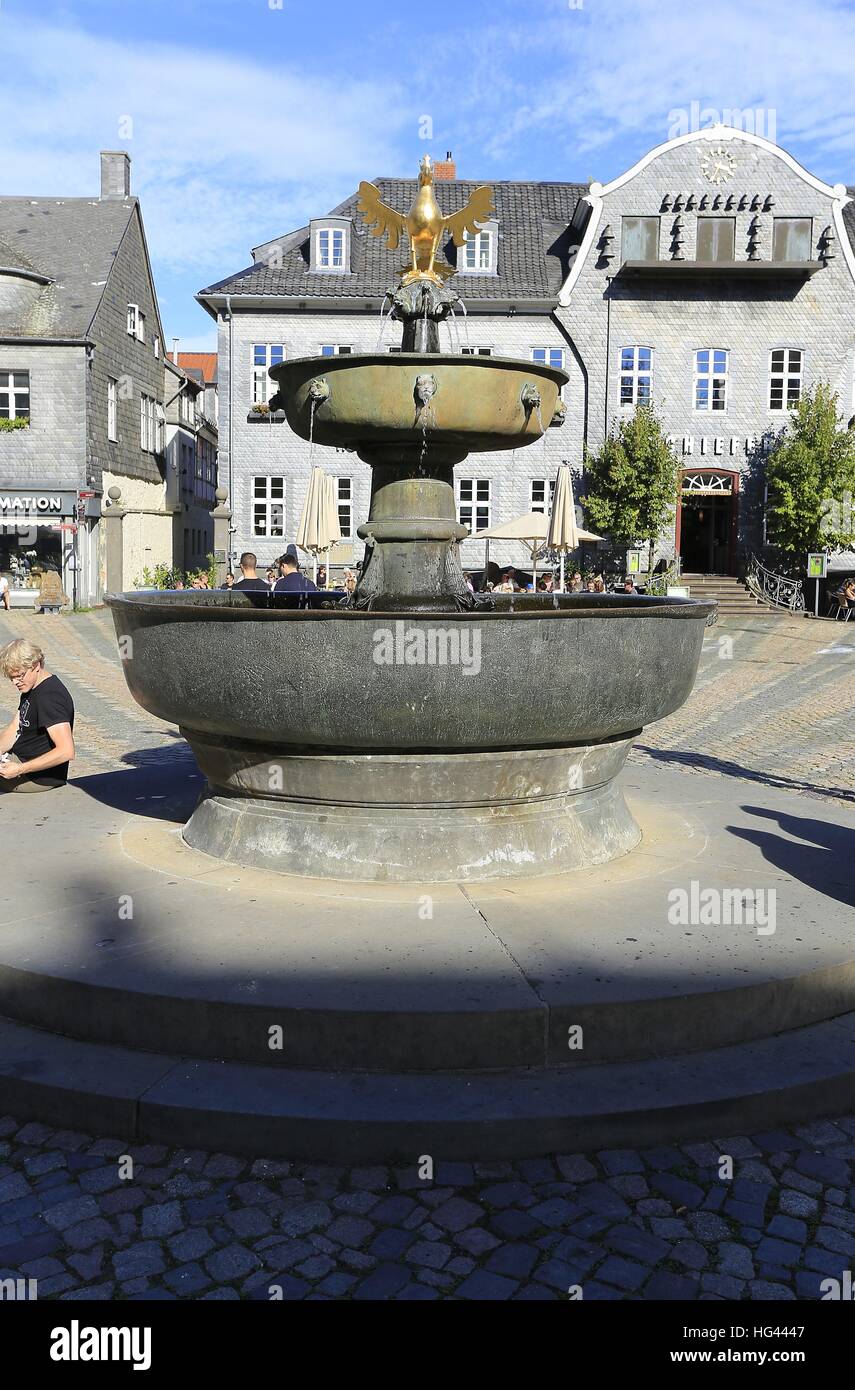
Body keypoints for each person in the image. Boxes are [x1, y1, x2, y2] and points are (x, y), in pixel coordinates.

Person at [0, 639, 75, 792]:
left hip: (37, 777)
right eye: (11, 678)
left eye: (19, 675)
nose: (15, 682)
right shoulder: (31, 687)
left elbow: (66, 751)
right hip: (20, 762)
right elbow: (16, 727)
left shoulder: (50, 697)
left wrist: (19, 769)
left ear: (36, 665)